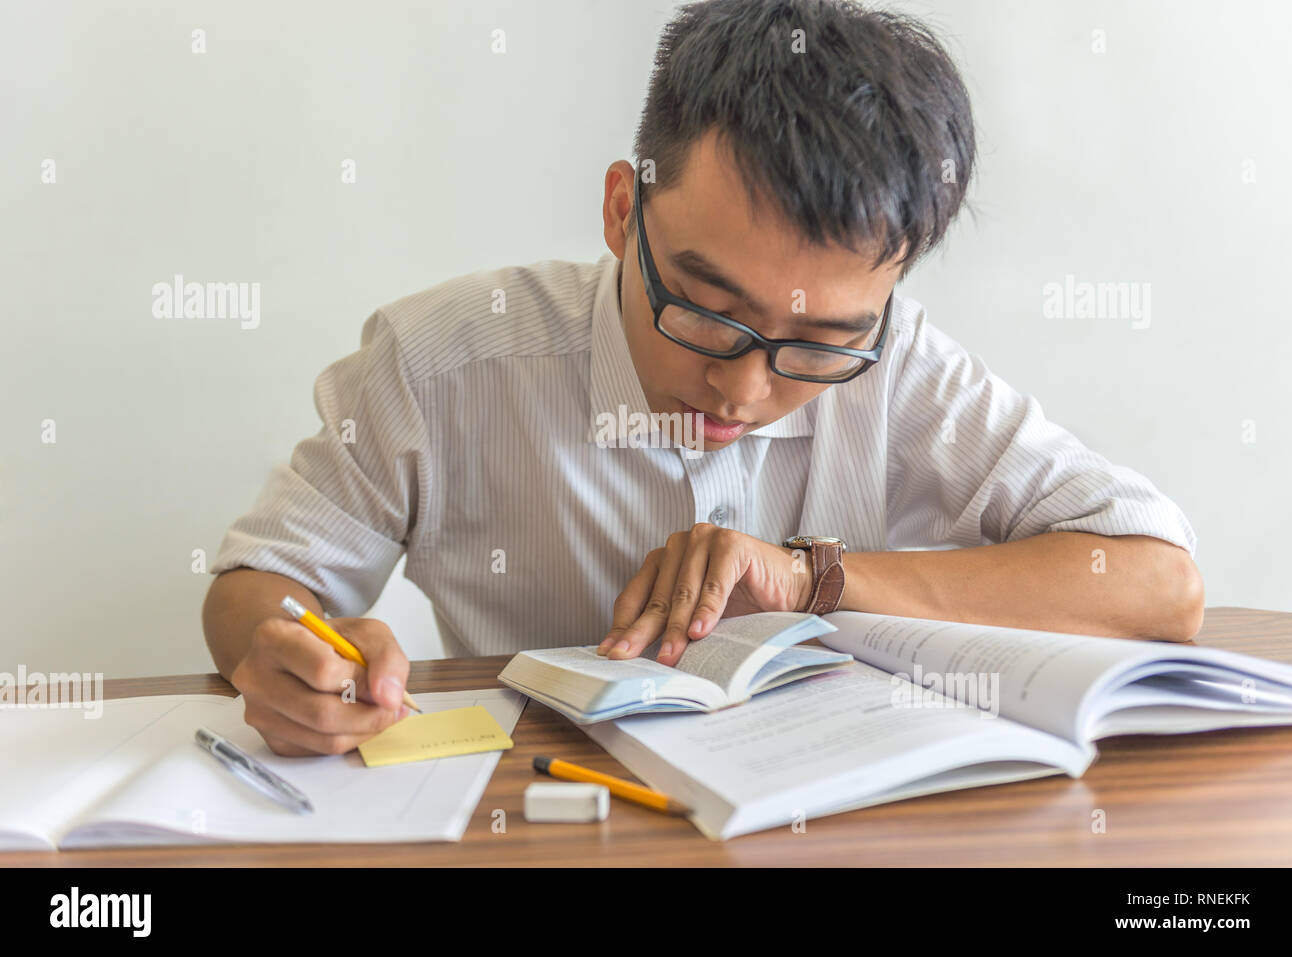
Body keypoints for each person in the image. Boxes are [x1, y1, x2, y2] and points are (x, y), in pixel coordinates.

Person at [202, 0, 1203, 757]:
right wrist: (284, 651)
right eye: (707, 311)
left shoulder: (898, 374)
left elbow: (1158, 580)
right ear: (620, 213)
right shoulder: (444, 361)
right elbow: (258, 586)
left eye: (817, 346)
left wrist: (816, 578)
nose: (743, 390)